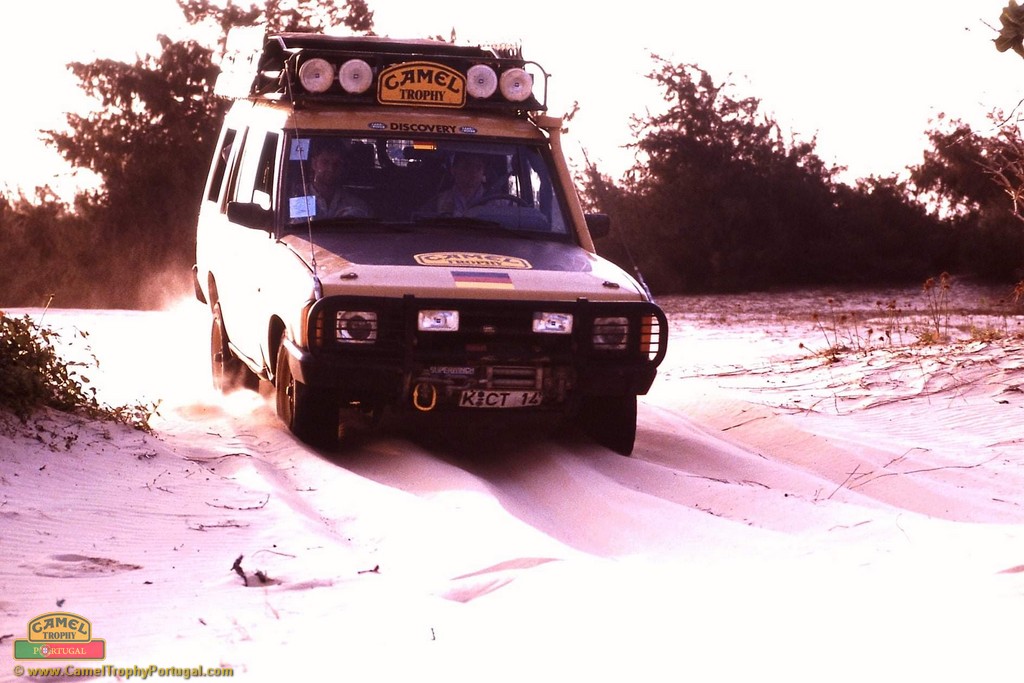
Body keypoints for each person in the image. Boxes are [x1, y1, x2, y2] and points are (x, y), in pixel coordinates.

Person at [304, 142, 373, 219]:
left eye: (337, 163)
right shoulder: (297, 198)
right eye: (325, 162)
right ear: (314, 164)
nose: (331, 169)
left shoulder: (357, 206)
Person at [424, 152, 490, 216]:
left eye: (478, 167)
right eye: (467, 166)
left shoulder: (494, 201)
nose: (474, 171)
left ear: (483, 171)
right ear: (453, 170)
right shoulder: (438, 202)